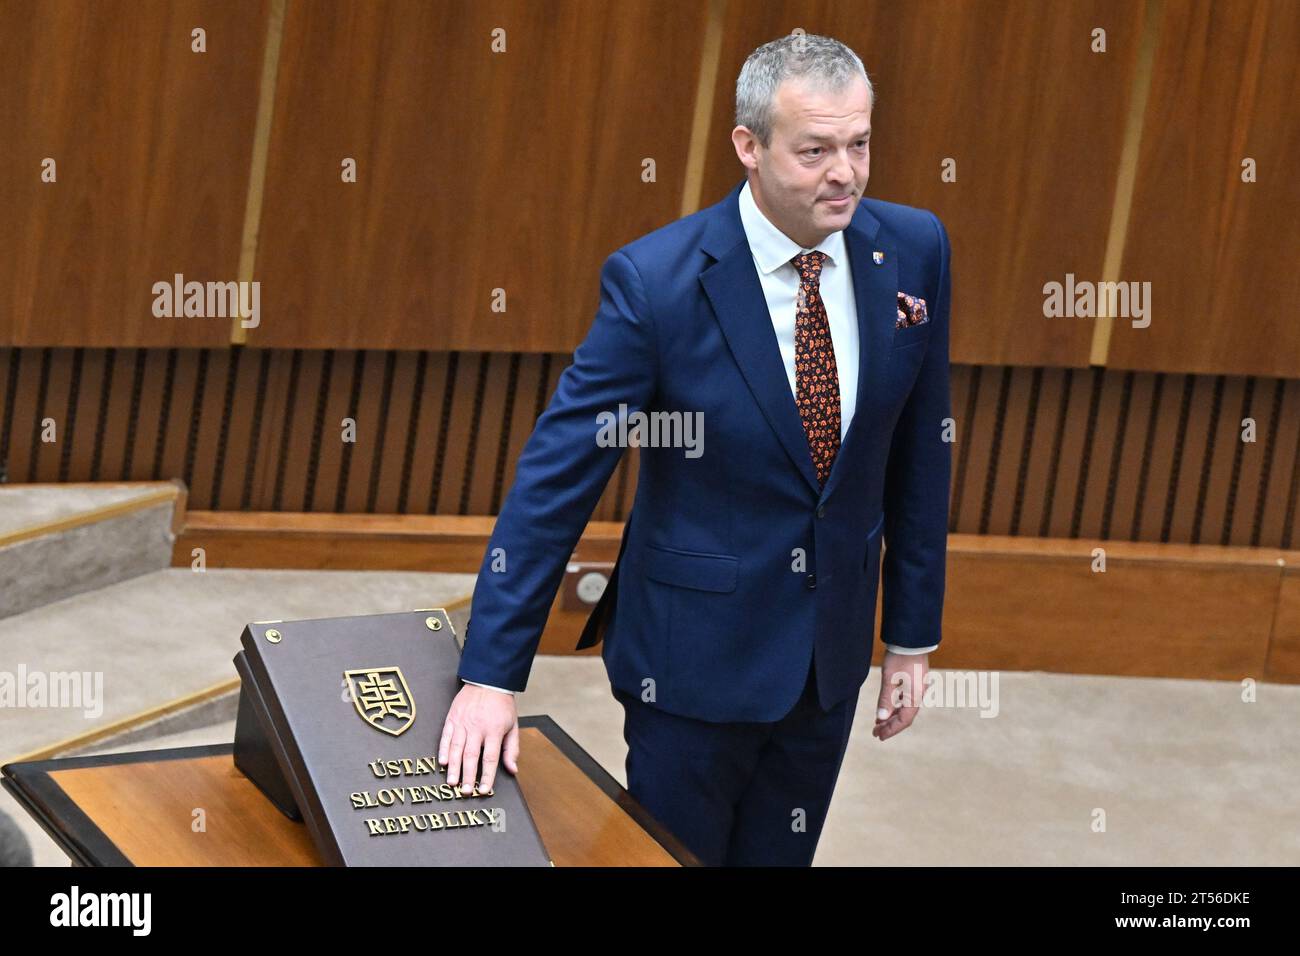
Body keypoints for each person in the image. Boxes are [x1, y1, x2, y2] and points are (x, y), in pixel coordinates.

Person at [439, 32, 951, 866]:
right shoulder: (657, 284)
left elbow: (922, 451)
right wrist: (492, 675)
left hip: (828, 658)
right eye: (815, 150)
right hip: (691, 666)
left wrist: (911, 634)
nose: (846, 174)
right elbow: (556, 481)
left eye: (859, 145)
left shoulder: (915, 249)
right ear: (748, 147)